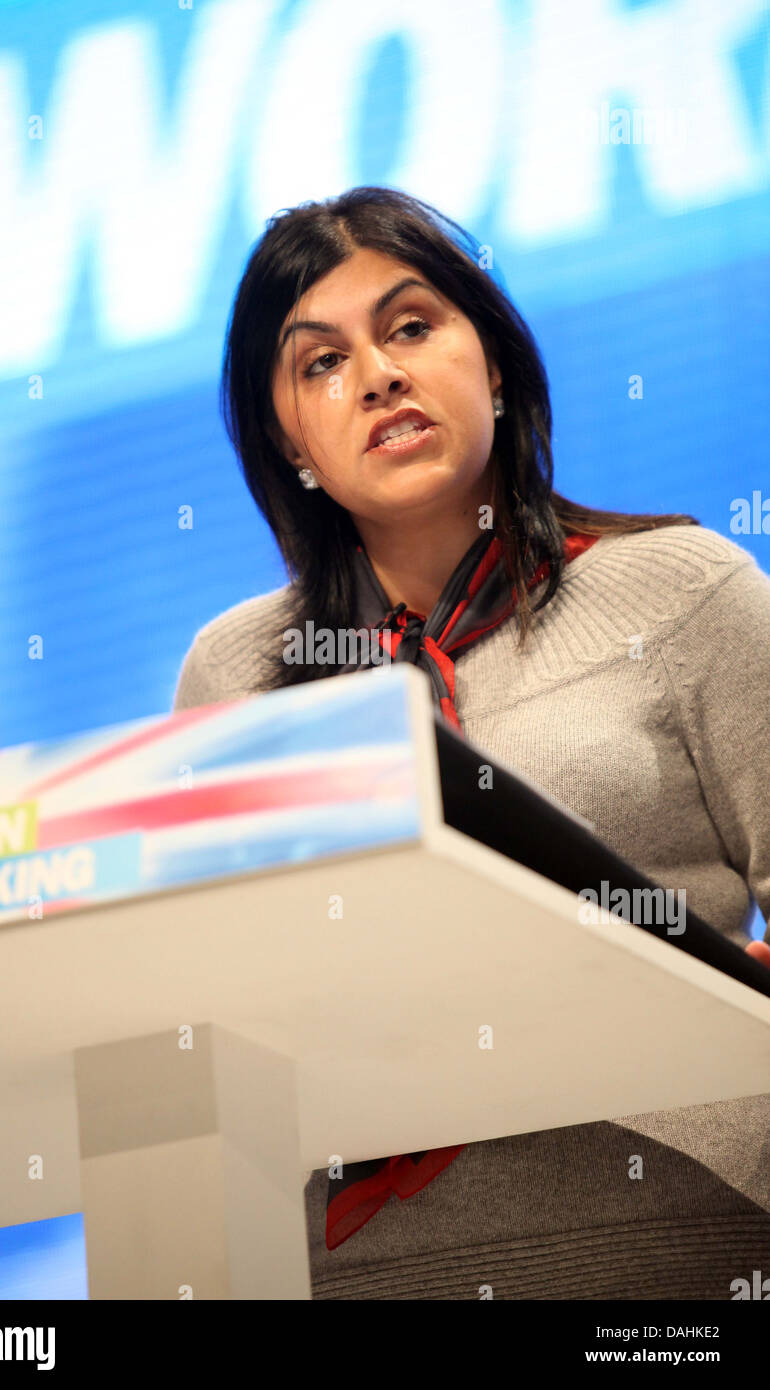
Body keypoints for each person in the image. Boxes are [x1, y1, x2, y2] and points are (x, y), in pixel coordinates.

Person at [173, 185, 770, 1299]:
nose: (378, 375)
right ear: (286, 440)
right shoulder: (235, 676)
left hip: (684, 1268)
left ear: (491, 361)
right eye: (318, 363)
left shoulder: (687, 594)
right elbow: (211, 1014)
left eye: (410, 326)